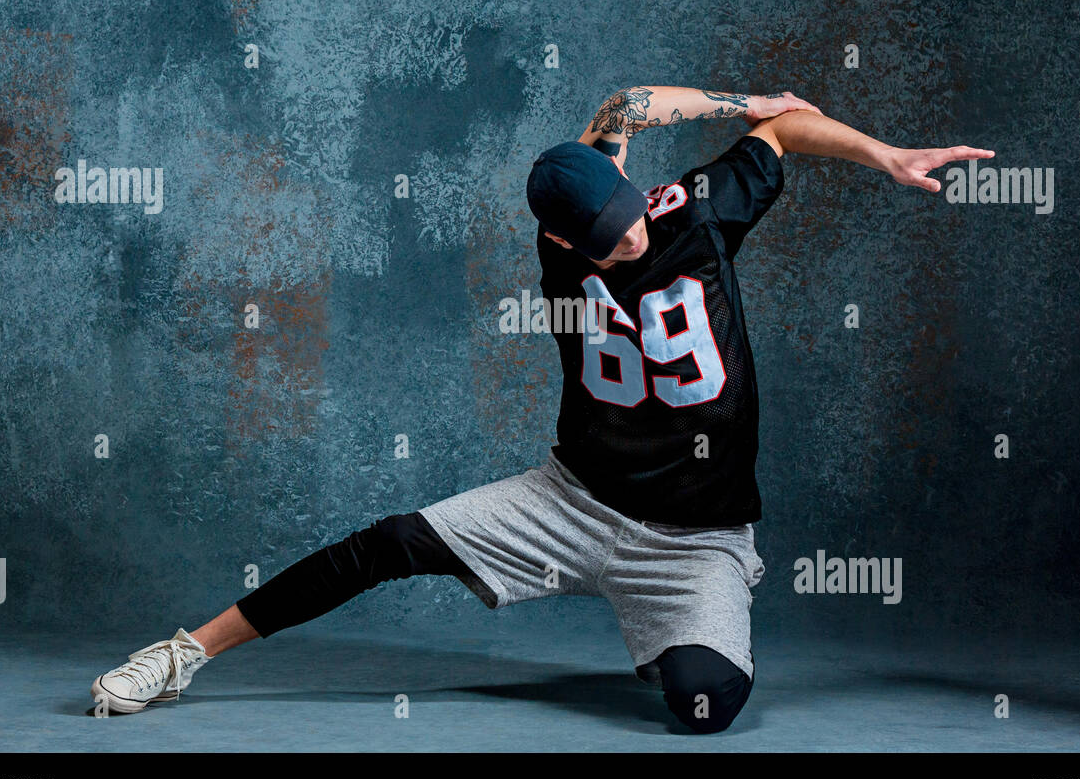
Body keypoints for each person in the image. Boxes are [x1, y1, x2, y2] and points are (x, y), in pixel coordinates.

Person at [91, 85, 993, 733]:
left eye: (632, 217)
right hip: (568, 504)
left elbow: (714, 119)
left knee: (706, 705)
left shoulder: (697, 211)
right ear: (560, 241)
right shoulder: (564, 250)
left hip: (694, 541)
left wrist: (870, 149)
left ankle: (662, 627)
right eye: (606, 240)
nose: (631, 239)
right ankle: (184, 653)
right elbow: (612, 122)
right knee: (393, 541)